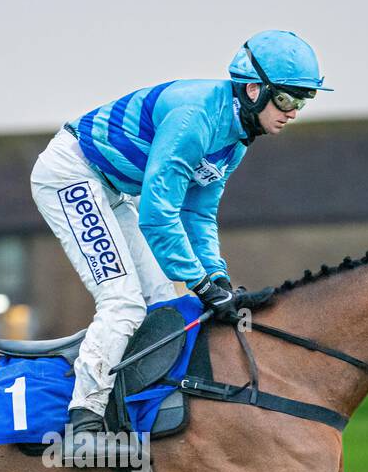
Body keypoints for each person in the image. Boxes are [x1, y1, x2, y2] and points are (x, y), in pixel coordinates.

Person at [29, 29, 332, 440]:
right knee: (123, 302)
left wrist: (217, 275)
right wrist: (202, 284)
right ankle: (85, 416)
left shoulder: (236, 139)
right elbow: (157, 215)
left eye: (303, 100)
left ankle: (132, 406)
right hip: (72, 174)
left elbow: (197, 212)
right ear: (254, 89)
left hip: (113, 188)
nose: (294, 111)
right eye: (286, 98)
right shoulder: (196, 120)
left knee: (163, 303)